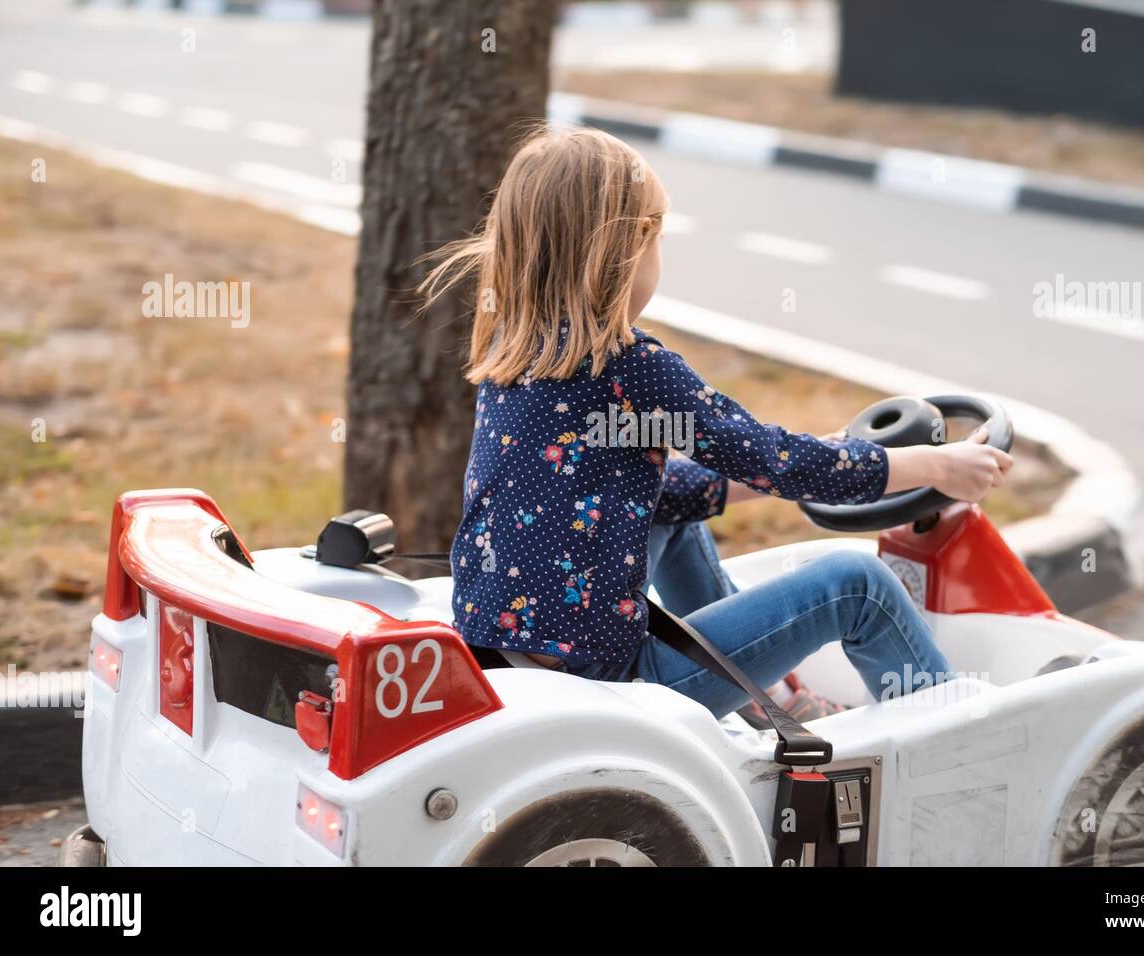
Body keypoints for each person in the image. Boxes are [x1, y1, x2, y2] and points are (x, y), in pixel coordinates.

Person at [426, 127, 1012, 718]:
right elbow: (775, 461)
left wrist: (818, 456)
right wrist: (938, 465)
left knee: (666, 505)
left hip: (508, 658)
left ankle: (765, 701)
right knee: (856, 585)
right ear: (625, 252)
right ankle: (958, 742)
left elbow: (633, 480)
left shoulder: (518, 353)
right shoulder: (631, 369)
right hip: (609, 680)